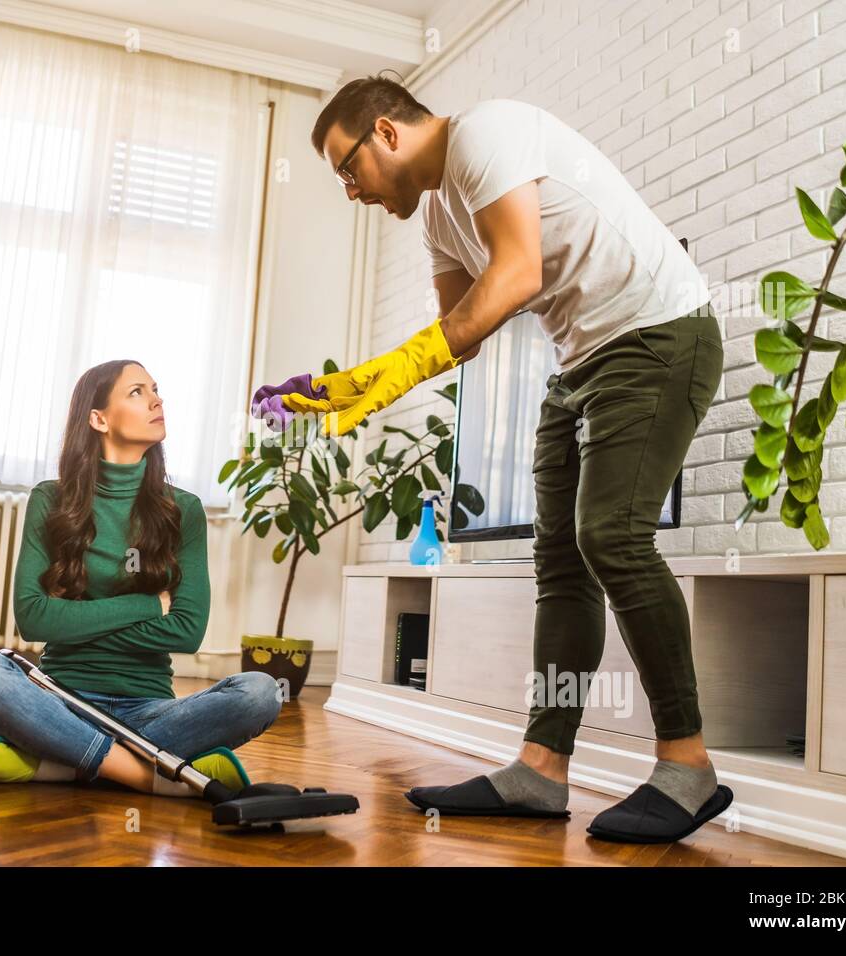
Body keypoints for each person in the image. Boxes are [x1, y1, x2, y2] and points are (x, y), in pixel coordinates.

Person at [253, 76, 732, 843]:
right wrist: (347, 385)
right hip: (581, 362)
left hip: (658, 334)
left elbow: (517, 276)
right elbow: (459, 331)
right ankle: (541, 768)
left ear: (384, 132)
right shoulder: (441, 214)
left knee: (611, 536)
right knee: (561, 562)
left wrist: (389, 376)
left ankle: (687, 762)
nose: (350, 192)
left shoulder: (487, 132)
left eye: (347, 169)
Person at [0, 359, 281, 798]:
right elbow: (33, 619)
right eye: (137, 392)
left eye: (155, 389)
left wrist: (72, 624)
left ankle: (60, 763)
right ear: (99, 418)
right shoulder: (50, 500)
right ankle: (146, 775)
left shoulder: (182, 510)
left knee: (260, 692)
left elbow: (187, 632)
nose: (156, 399)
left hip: (150, 710)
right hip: (59, 701)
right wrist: (147, 605)